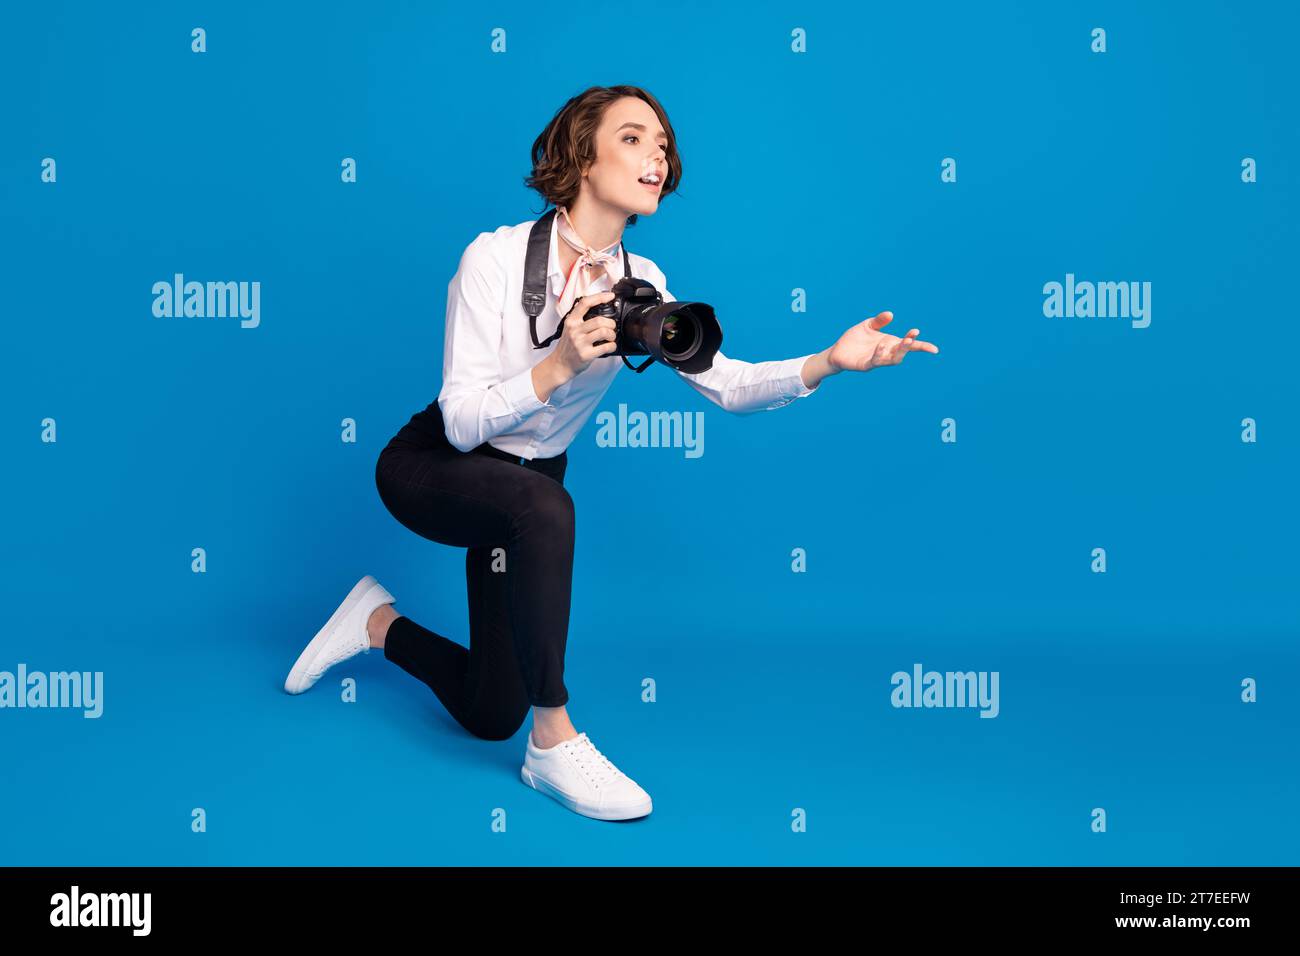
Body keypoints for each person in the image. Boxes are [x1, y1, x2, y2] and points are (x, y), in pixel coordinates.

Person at [283, 85, 939, 822]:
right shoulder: (493, 258)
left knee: (489, 708)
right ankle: (554, 740)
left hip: (525, 496)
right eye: (633, 138)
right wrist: (557, 367)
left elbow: (728, 384)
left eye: (663, 145)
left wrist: (827, 360)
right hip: (432, 465)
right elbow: (463, 423)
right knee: (543, 507)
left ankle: (376, 623)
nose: (657, 155)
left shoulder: (646, 286)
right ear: (581, 158)